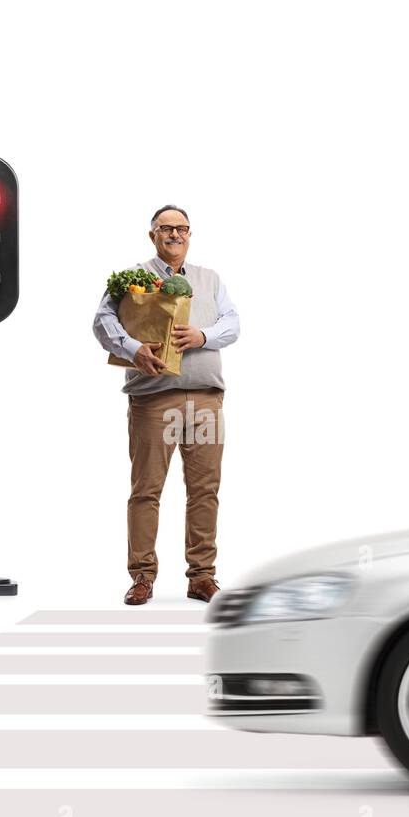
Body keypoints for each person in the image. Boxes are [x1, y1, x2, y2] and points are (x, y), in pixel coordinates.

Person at [92, 205, 241, 605]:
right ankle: (142, 576)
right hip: (153, 400)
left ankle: (202, 577)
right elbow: (102, 321)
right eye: (166, 228)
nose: (174, 235)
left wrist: (203, 337)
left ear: (190, 234)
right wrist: (133, 348)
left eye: (182, 229)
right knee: (146, 490)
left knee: (205, 490)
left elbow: (233, 323)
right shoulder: (135, 279)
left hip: (207, 399)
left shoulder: (210, 279)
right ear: (152, 235)